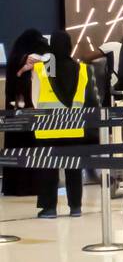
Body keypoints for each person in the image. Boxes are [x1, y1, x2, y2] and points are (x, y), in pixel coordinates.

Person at [26, 31, 101, 219]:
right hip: (74, 126)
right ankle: (75, 206)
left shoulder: (44, 68)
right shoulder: (81, 69)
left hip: (48, 128)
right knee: (74, 168)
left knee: (48, 169)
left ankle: (49, 208)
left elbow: (35, 98)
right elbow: (85, 99)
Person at [2, 29, 49, 197]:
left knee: (17, 149)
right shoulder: (25, 58)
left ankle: (15, 187)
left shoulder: (15, 57)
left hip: (15, 113)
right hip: (28, 112)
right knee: (30, 149)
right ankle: (32, 186)